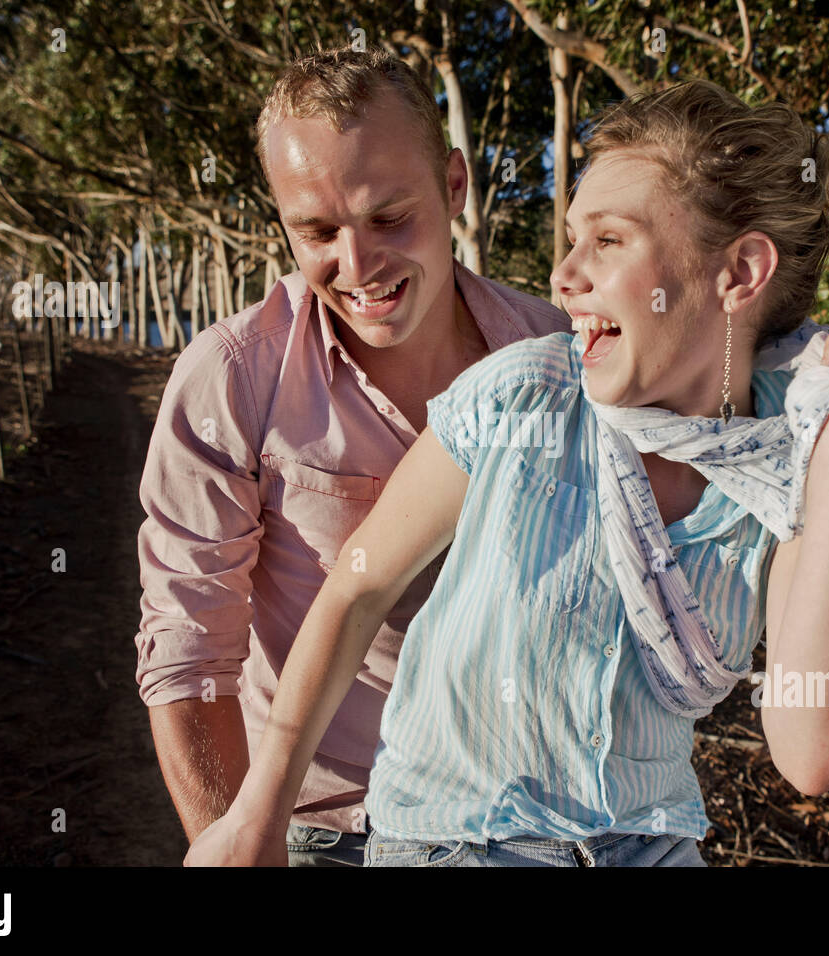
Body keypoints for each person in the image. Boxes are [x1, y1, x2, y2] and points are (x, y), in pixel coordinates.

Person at [185, 78, 829, 867]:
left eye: (608, 241)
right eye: (572, 238)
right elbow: (356, 589)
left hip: (656, 848)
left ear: (740, 273)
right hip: (457, 843)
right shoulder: (520, 393)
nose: (564, 277)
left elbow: (815, 756)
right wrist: (257, 815)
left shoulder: (790, 456)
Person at [134, 47, 571, 867]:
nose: (358, 265)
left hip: (533, 814)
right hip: (330, 828)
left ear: (453, 185)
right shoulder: (232, 381)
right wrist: (237, 837)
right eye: (318, 231)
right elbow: (190, 655)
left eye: (387, 217)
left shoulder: (555, 353)